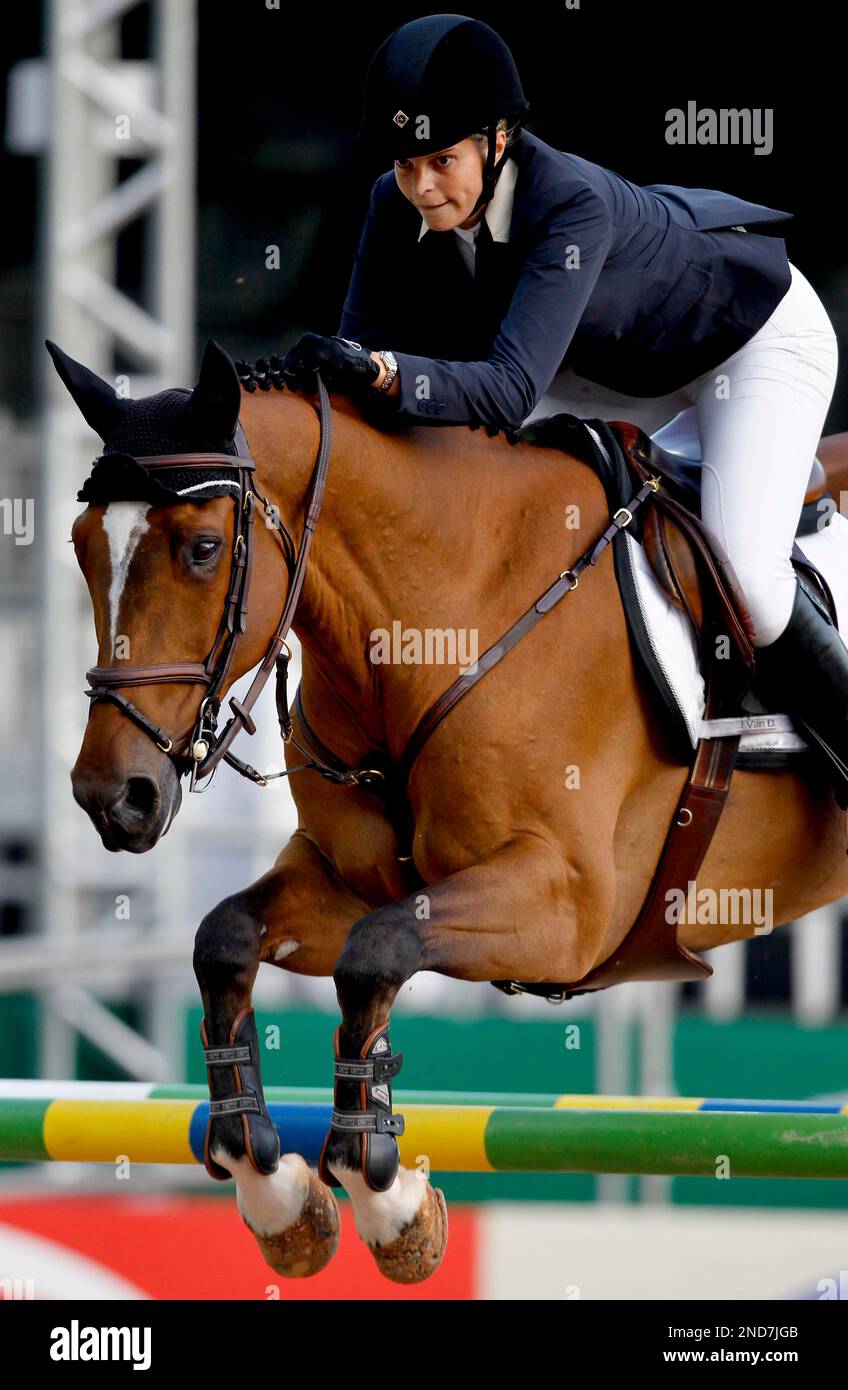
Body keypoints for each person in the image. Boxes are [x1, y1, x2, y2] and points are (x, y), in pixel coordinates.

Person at [283, 13, 848, 796]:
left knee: (747, 578)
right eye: (406, 164)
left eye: (442, 161)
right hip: (599, 369)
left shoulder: (569, 202)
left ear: (499, 137)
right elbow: (361, 369)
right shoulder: (394, 201)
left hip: (750, 344)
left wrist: (380, 371)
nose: (421, 188)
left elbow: (506, 389)